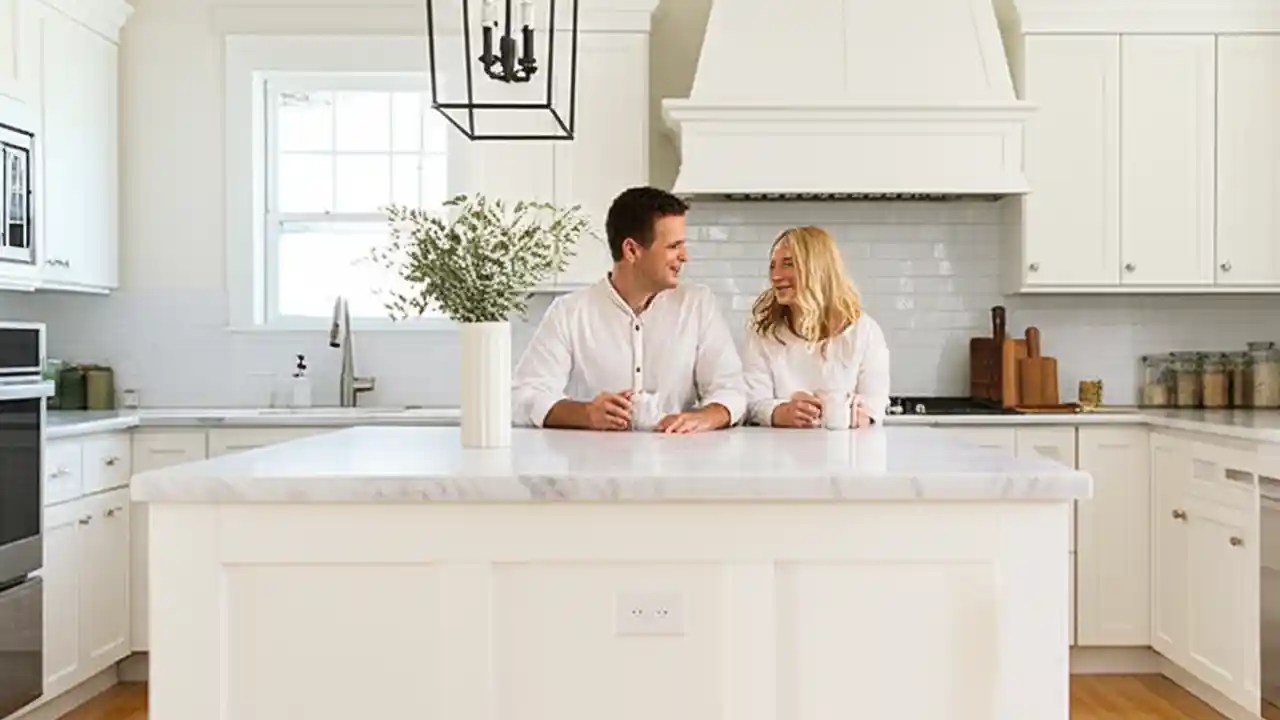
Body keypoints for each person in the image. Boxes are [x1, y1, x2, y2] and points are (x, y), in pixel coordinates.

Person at [512, 186, 745, 433]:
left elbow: (731, 389)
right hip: (592, 466)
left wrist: (705, 417)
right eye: (673, 246)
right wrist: (586, 413)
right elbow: (523, 397)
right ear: (631, 250)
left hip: (678, 463)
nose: (684, 256)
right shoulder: (569, 313)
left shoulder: (697, 305)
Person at [742, 226, 890, 429]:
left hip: (844, 455)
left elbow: (875, 404)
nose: (775, 276)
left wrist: (849, 416)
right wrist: (780, 412)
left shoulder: (864, 332)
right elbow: (753, 402)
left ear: (817, 269)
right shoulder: (763, 333)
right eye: (772, 266)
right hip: (779, 455)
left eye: (788, 264)